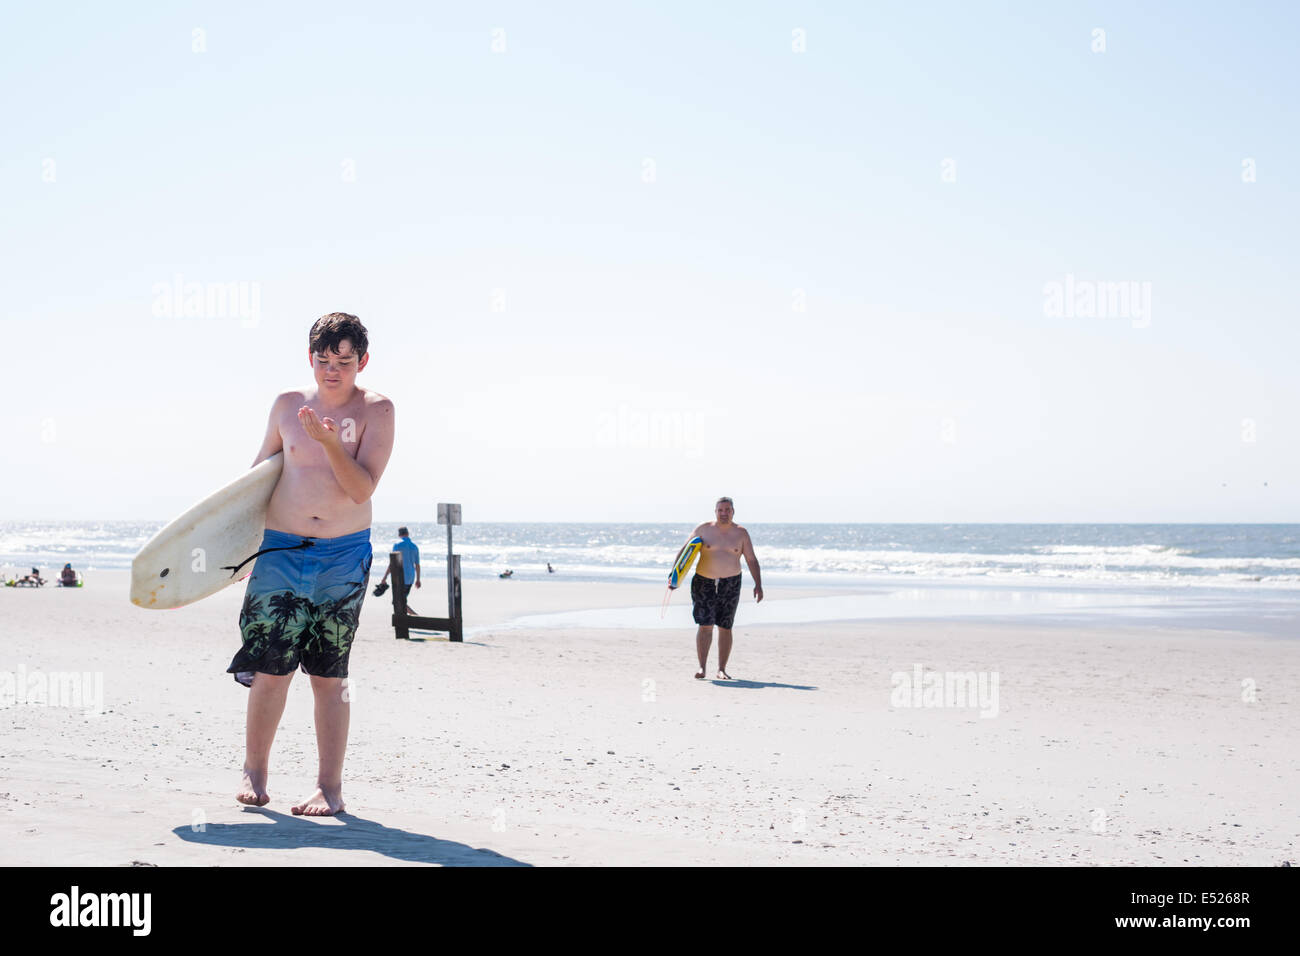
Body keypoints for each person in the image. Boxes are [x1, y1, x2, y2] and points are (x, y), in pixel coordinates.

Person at [226, 312, 395, 817]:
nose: (332, 371)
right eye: (323, 360)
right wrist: (225, 549)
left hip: (342, 555)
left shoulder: (377, 411)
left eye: (343, 361)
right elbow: (258, 476)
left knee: (328, 675)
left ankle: (330, 787)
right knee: (269, 668)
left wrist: (327, 444)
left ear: (362, 361)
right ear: (311, 358)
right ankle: (254, 772)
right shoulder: (287, 405)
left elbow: (362, 487)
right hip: (279, 549)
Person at [675, 497, 762, 680]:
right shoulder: (704, 529)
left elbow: (751, 559)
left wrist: (758, 585)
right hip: (703, 582)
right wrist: (674, 577)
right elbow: (685, 552)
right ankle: (702, 667)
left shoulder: (741, 533)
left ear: (733, 512)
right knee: (705, 625)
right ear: (715, 512)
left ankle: (722, 669)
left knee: (725, 626)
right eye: (720, 510)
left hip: (731, 583)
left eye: (728, 510)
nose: (724, 513)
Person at [375, 526, 421, 614]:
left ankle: (415, 617)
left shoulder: (397, 545)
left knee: (398, 601)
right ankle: (410, 618)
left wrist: (384, 578)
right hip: (410, 577)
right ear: (407, 534)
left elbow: (393, 563)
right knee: (401, 600)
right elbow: (417, 565)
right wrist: (418, 580)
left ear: (399, 535)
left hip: (400, 577)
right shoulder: (414, 546)